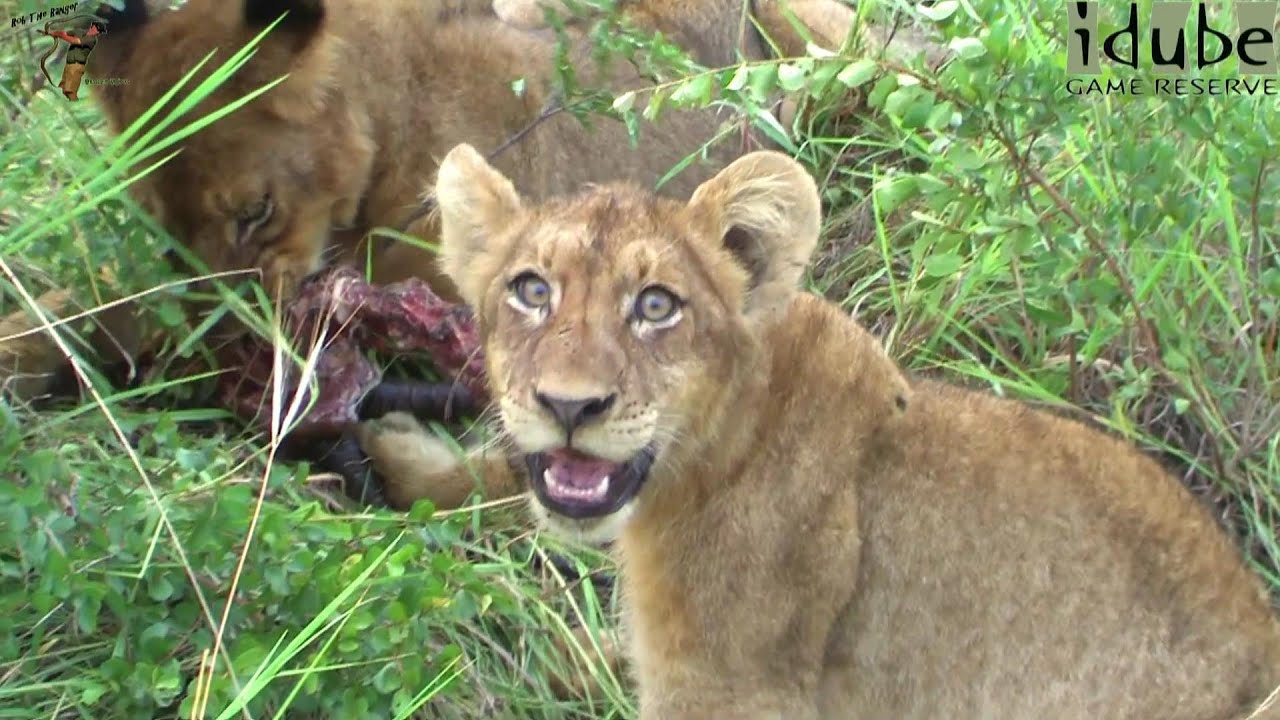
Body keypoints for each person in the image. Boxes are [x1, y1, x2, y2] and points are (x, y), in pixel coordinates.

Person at [42, 21, 106, 101]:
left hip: (78, 63)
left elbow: (76, 41)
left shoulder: (92, 40)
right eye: (96, 29)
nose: (96, 32)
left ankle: (71, 95)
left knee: (72, 81)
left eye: (98, 31)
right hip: (71, 61)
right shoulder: (80, 31)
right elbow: (66, 33)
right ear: (92, 27)